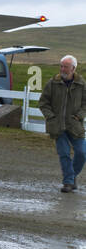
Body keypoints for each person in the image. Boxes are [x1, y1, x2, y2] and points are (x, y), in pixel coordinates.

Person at [38, 55, 85, 192]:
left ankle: (71, 177)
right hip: (57, 126)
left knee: (82, 153)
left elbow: (85, 103)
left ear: (73, 68)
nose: (62, 69)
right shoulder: (52, 83)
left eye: (66, 66)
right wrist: (50, 117)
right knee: (64, 153)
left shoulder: (81, 84)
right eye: (61, 66)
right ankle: (68, 183)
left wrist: (80, 115)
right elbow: (43, 103)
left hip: (75, 125)